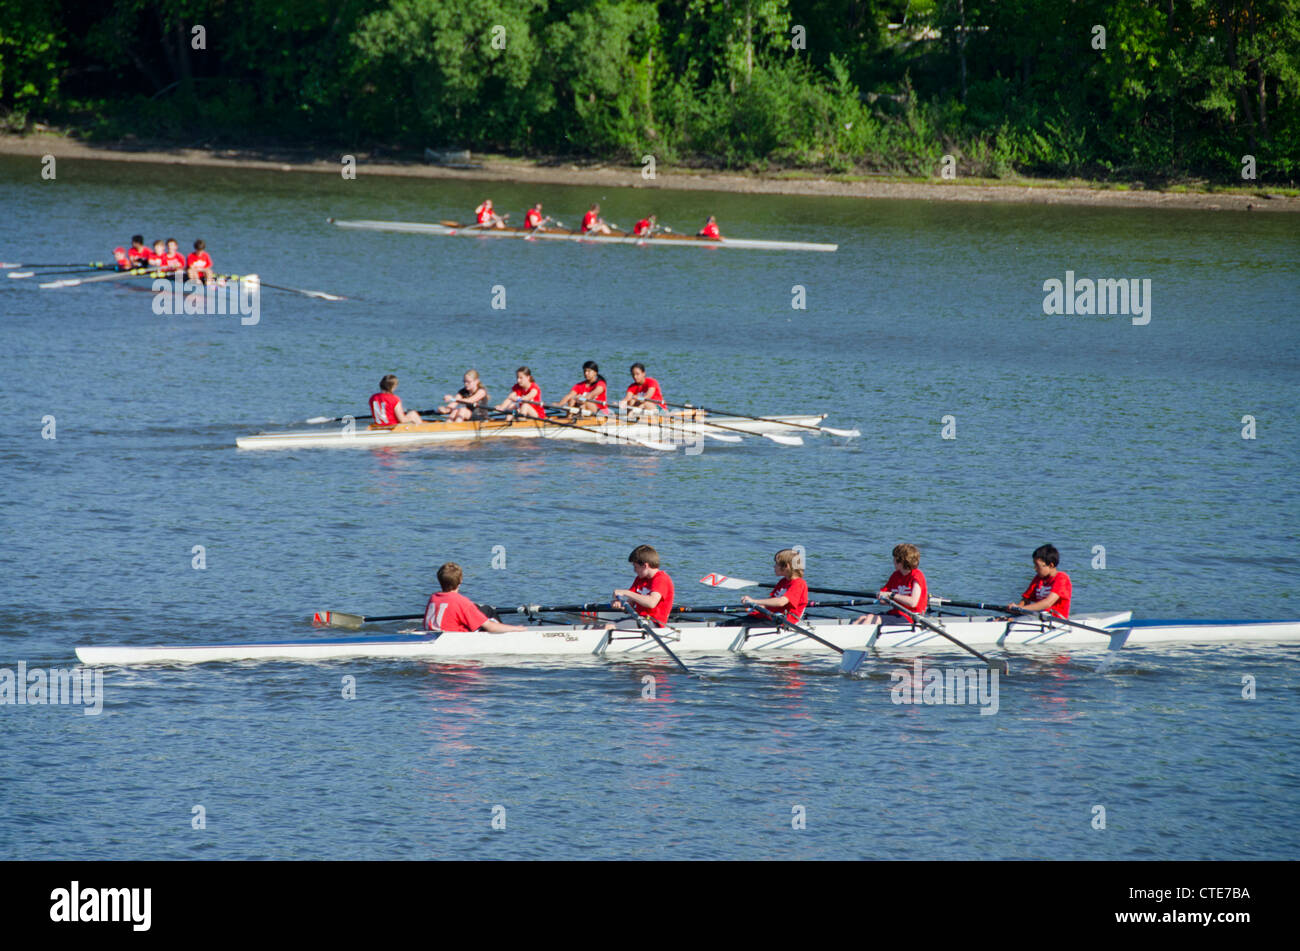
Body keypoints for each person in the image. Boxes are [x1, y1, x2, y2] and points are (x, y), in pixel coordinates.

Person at [424, 562, 526, 633]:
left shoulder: (433, 597)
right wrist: (516, 628)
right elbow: (490, 626)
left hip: (434, 634)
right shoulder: (462, 602)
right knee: (488, 610)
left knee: (480, 608)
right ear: (461, 580)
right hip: (454, 638)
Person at [852, 543, 928, 627]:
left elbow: (913, 602)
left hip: (911, 617)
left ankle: (856, 637)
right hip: (895, 614)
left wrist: (891, 595)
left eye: (894, 559)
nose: (893, 561)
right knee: (863, 618)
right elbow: (883, 598)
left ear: (901, 562)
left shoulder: (917, 576)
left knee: (870, 618)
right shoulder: (896, 575)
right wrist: (882, 597)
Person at [739, 548, 810, 624]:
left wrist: (753, 601)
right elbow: (770, 602)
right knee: (730, 623)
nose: (774, 566)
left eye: (776, 564)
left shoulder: (799, 584)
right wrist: (753, 605)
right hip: (767, 617)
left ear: (787, 566)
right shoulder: (783, 581)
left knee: (737, 624)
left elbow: (781, 602)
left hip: (781, 622)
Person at [611, 545, 674, 627]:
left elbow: (651, 603)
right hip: (638, 619)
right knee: (602, 626)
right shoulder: (640, 579)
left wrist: (626, 592)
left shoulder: (662, 579)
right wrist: (619, 604)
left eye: (635, 567)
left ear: (645, 566)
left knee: (609, 627)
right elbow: (629, 605)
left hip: (654, 623)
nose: (634, 570)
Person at [1009, 544, 1072, 618]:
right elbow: (1026, 599)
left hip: (1055, 619)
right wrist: (1017, 608)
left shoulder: (1062, 578)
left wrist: (1021, 609)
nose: (1035, 569)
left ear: (1051, 565)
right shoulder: (1038, 578)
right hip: (1039, 616)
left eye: (1037, 565)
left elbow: (1047, 603)